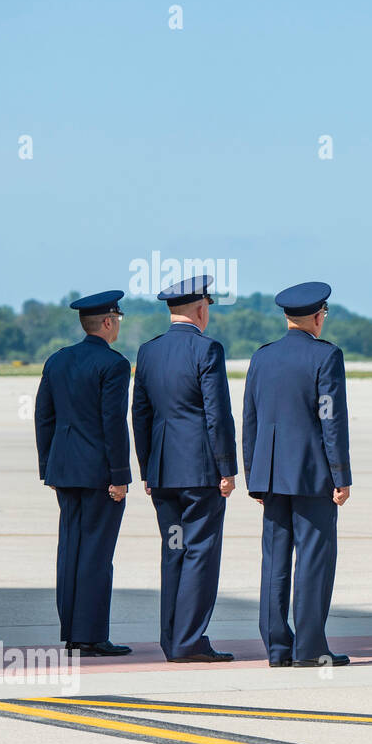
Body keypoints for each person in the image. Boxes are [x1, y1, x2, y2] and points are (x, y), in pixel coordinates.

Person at [243, 282, 352, 668]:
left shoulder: (263, 357)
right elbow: (330, 420)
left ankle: (277, 648)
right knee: (313, 559)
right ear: (318, 316)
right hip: (310, 474)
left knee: (274, 561)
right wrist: (341, 474)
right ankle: (309, 648)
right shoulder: (326, 356)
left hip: (271, 475)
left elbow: (251, 419)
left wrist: (253, 475)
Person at [132, 275, 237, 663]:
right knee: (200, 552)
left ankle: (171, 637)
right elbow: (217, 413)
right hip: (199, 472)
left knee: (174, 549)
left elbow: (139, 414)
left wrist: (146, 468)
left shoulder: (149, 350)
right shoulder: (207, 349)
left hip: (163, 473)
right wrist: (227, 468)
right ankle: (189, 640)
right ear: (201, 309)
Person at [34, 291, 133, 656]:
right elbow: (113, 423)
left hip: (64, 469)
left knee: (70, 550)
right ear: (107, 322)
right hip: (98, 473)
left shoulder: (57, 360)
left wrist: (49, 465)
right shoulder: (114, 364)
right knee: (96, 553)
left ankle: (73, 633)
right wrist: (120, 475)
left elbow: (44, 417)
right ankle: (91, 635)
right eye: (117, 320)